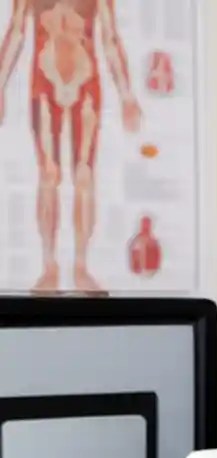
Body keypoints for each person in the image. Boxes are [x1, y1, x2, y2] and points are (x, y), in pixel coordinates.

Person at [0, 0, 144, 293]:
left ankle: (80, 266)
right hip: (44, 80)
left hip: (85, 80)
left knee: (84, 175)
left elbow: (110, 37)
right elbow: (15, 31)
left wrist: (127, 95)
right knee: (49, 173)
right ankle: (49, 265)